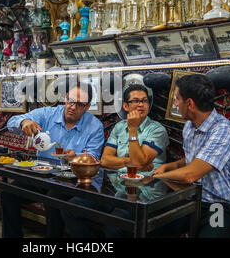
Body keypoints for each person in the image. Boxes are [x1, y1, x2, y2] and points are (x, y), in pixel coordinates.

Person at [61, 84, 169, 237]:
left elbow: (138, 164)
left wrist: (132, 130)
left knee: (115, 224)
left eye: (144, 101)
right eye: (135, 101)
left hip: (145, 191)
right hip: (117, 187)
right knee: (70, 208)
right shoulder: (119, 127)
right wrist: (130, 161)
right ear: (125, 105)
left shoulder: (157, 130)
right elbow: (105, 161)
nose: (140, 104)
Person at [2, 82, 104, 238]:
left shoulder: (94, 126)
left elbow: (92, 159)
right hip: (44, 174)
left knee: (53, 198)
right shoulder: (48, 114)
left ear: (87, 106)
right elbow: (11, 123)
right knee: (8, 193)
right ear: (65, 98)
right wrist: (24, 122)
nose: (73, 107)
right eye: (70, 101)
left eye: (80, 104)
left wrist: (76, 158)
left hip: (74, 180)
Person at [151, 74, 230, 238]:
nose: (176, 104)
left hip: (218, 205)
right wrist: (169, 166)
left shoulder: (223, 131)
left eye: (177, 99)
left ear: (190, 103)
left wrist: (159, 176)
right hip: (190, 199)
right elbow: (192, 160)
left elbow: (190, 175)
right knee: (150, 226)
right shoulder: (189, 126)